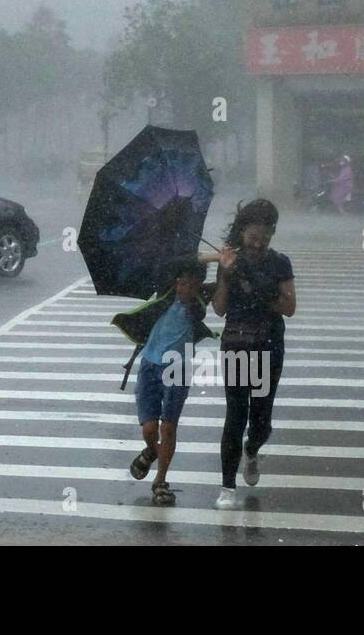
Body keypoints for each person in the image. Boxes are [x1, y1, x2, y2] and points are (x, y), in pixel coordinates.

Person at [211, 199, 297, 510]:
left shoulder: (280, 263)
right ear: (242, 232)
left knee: (262, 420)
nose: (258, 244)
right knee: (235, 415)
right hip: (236, 344)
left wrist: (263, 290)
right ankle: (227, 486)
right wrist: (228, 274)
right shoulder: (228, 261)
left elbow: (290, 307)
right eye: (252, 237)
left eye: (265, 237)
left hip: (269, 346)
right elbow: (219, 308)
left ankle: (253, 448)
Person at [127, 257, 211, 506]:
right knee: (149, 428)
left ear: (199, 286)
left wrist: (218, 258)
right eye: (181, 284)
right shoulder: (163, 295)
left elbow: (216, 285)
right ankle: (152, 450)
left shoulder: (197, 306)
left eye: (191, 285)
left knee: (169, 427)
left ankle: (161, 480)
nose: (184, 289)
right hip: (149, 365)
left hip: (178, 368)